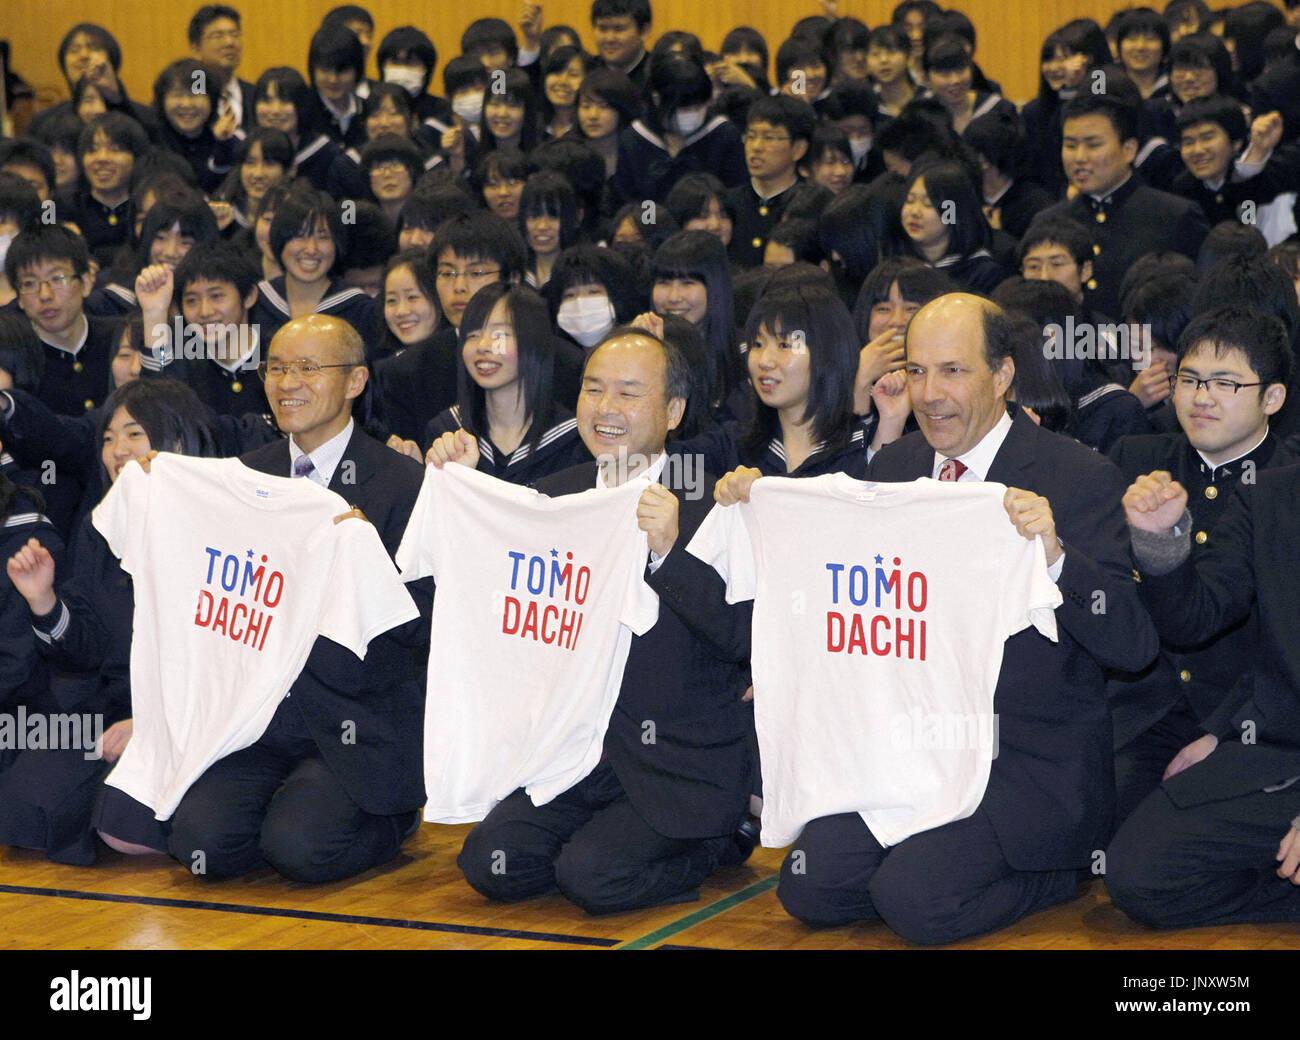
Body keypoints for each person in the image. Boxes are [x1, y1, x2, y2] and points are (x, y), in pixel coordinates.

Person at [719, 293, 1158, 943]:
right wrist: (757, 505)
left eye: (952, 371)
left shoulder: (1076, 475)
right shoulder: (895, 468)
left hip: (1023, 762)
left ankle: (1056, 870)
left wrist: (1058, 560)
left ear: (1004, 375)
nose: (929, 394)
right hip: (911, 749)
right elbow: (844, 585)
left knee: (914, 901)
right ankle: (939, 854)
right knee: (810, 885)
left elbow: (1132, 644)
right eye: (918, 372)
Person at [455, 324, 756, 914]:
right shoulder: (553, 498)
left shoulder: (715, 505)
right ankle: (603, 841)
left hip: (678, 765)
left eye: (628, 392)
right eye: (593, 390)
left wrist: (671, 554)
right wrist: (460, 484)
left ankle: (717, 841)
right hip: (575, 754)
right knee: (488, 863)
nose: (606, 409)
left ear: (673, 410)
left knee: (592, 879)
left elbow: (747, 640)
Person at [167, 314, 431, 883]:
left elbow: (421, 632)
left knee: (302, 852)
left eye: (309, 368)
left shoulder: (402, 484)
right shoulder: (244, 477)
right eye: (277, 368)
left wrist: (364, 564)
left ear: (355, 381)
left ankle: (391, 815)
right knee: (198, 846)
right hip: (259, 717)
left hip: (358, 718)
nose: (288, 382)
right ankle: (287, 812)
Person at [1106, 305, 1294, 826]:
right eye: (1189, 379)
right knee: (1086, 824)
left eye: (1225, 383)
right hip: (1143, 705)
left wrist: (1232, 729)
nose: (1201, 397)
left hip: (1245, 717)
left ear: (1272, 397)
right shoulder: (1135, 459)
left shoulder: (1286, 486)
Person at [1108, 425, 1300, 926]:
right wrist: (1159, 541)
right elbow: (1198, 618)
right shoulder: (1270, 495)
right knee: (1139, 874)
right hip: (1279, 753)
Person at [1039, 93, 1209, 320]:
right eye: (1070, 145)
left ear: (1129, 149)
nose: (1079, 157)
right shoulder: (1048, 222)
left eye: (1093, 145)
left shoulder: (1176, 216)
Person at [412, 283, 588, 481]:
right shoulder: (447, 433)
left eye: (500, 335)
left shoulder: (574, 439)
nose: (483, 346)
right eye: (472, 335)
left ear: (534, 342)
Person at [8, 224, 118, 416]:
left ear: (86, 283)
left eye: (58, 279)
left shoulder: (119, 338)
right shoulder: (13, 359)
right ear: (19, 298)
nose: (45, 295)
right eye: (29, 284)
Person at [726, 96, 815, 268]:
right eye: (751, 136)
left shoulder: (814, 203)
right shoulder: (729, 203)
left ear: (798, 149)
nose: (756, 146)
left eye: (769, 138)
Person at [189, 4, 255, 132]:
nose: (229, 42)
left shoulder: (255, 95)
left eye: (234, 34)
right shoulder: (187, 99)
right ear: (196, 48)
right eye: (218, 36)